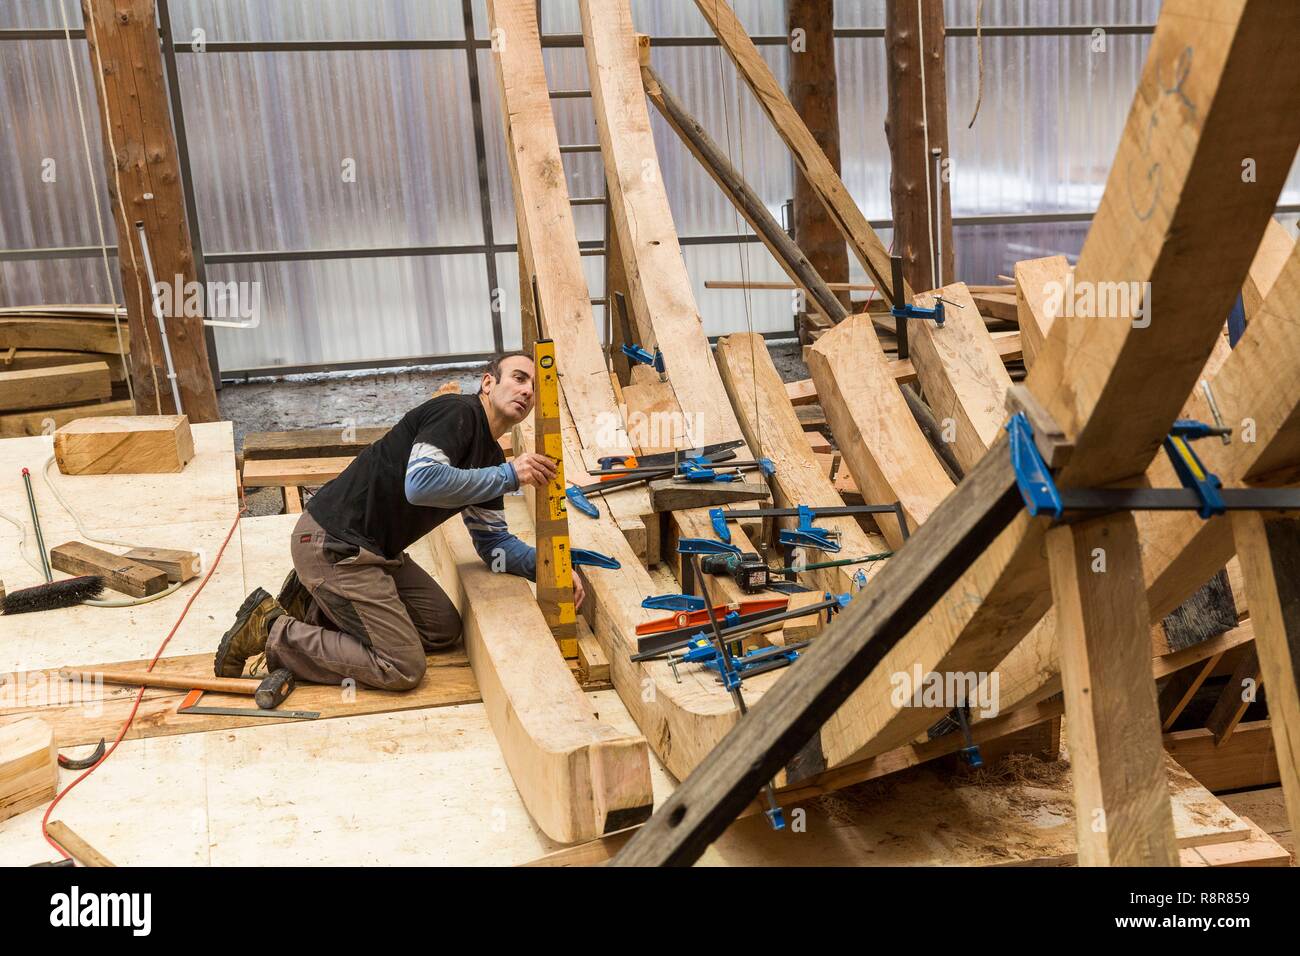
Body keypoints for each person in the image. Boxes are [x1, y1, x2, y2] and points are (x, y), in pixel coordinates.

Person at [213, 351, 584, 690]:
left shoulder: (489, 459)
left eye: (534, 387)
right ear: (488, 383)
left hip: (377, 554)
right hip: (332, 543)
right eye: (519, 378)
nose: (527, 391)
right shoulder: (456, 413)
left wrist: (553, 566)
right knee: (402, 665)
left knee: (442, 629)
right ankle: (272, 629)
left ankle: (315, 609)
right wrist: (508, 474)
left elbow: (495, 546)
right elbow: (420, 484)